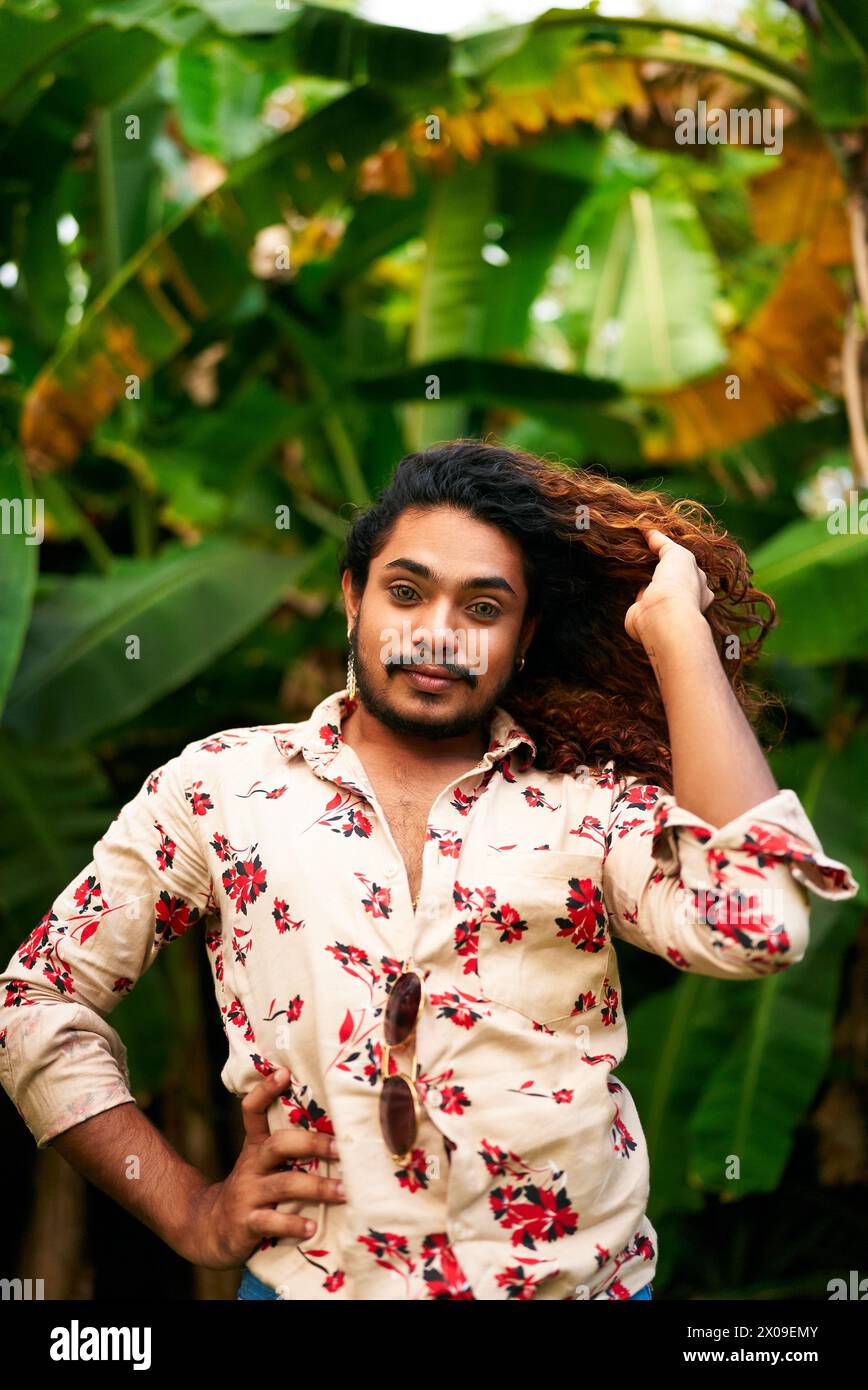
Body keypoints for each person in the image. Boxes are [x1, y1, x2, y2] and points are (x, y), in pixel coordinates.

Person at [0, 440, 857, 1301]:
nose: (438, 634)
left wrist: (677, 634)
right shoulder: (220, 788)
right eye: (406, 592)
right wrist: (190, 1210)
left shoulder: (588, 803)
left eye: (483, 608)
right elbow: (33, 1001)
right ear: (352, 598)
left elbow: (758, 922)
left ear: (523, 638)